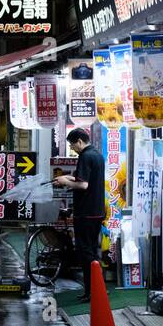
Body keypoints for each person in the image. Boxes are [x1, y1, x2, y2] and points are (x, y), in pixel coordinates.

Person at [53, 128, 106, 299]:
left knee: (85, 252)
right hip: (96, 211)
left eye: (72, 145)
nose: (73, 148)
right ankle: (96, 289)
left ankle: (91, 291)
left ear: (79, 142)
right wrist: (65, 179)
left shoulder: (85, 156)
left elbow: (83, 186)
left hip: (86, 212)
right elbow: (83, 180)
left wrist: (66, 183)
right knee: (92, 250)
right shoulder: (97, 155)